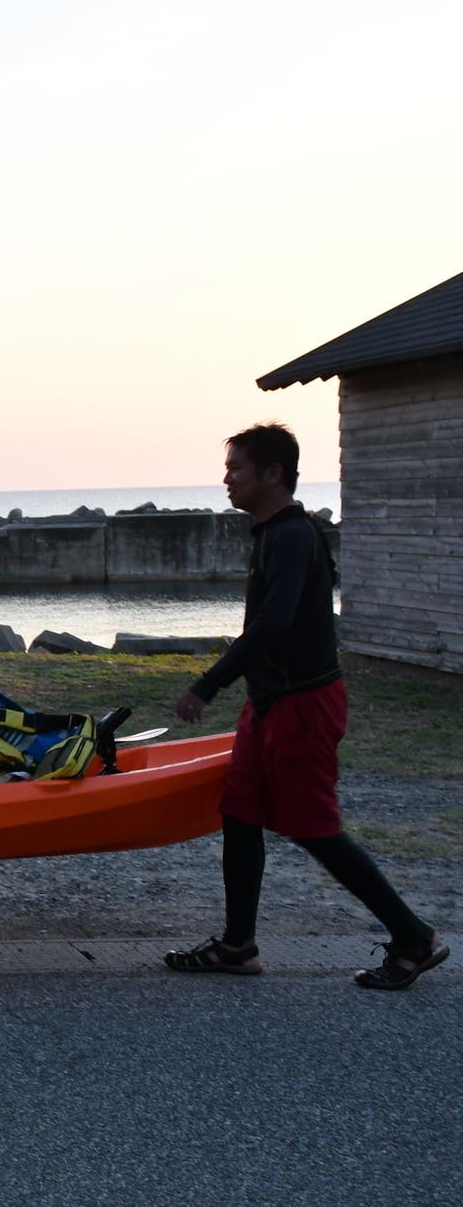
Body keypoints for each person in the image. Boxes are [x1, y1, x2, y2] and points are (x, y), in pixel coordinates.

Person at [167, 422, 446, 990]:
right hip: (269, 702)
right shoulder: (270, 534)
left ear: (273, 474)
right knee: (240, 813)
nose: (227, 478)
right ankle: (237, 945)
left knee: (314, 827)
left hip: (304, 703)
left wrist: (208, 683)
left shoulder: (294, 536)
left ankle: (415, 937)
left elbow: (275, 622)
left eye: (237, 468)